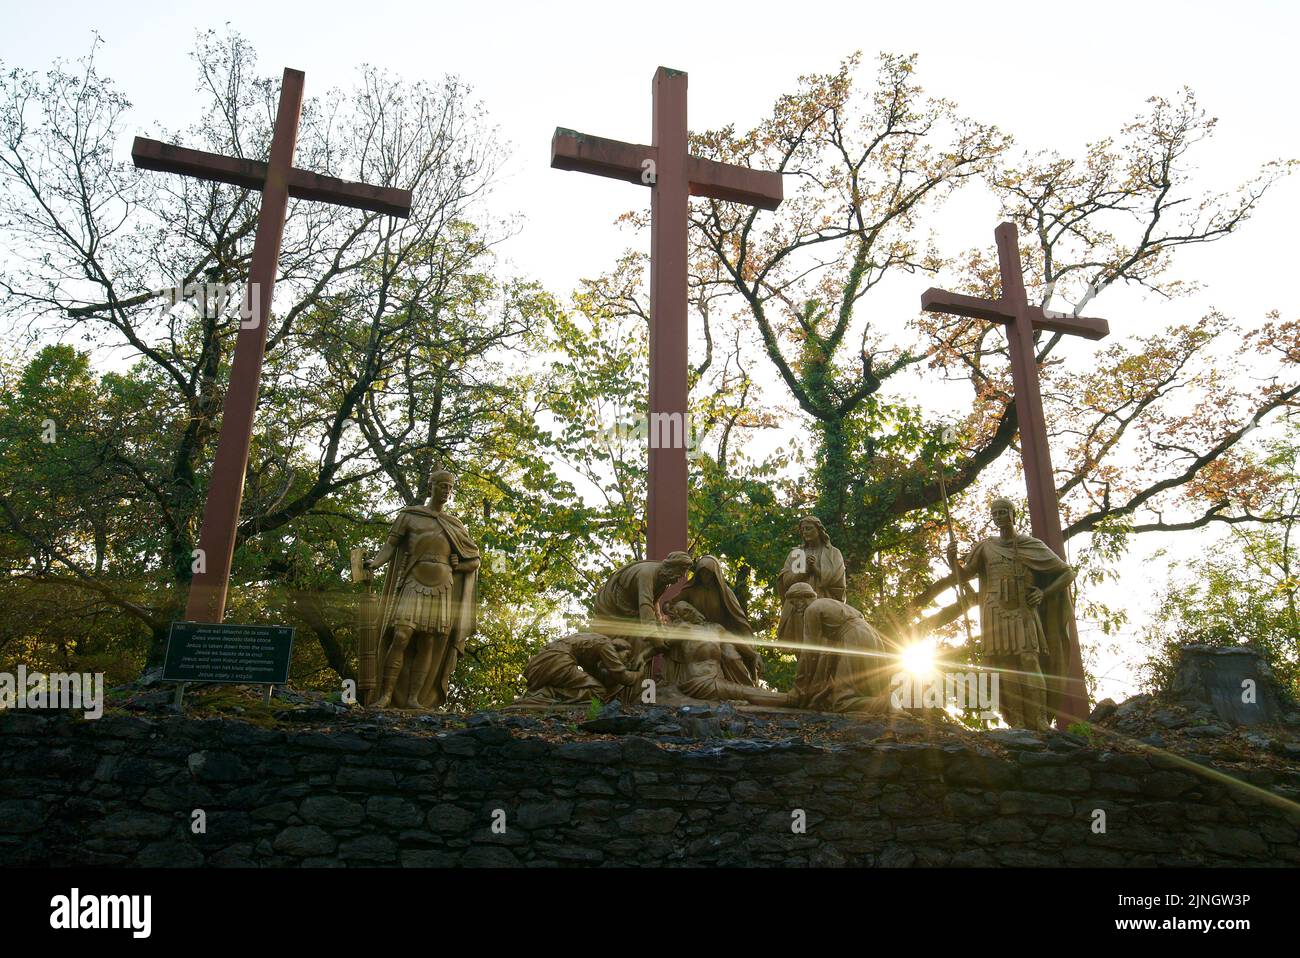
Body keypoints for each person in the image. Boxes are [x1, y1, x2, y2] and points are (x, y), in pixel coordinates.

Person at [947, 497, 1076, 730]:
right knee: (1006, 666)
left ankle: (1040, 718)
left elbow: (1067, 572)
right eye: (994, 514)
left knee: (1029, 660)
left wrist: (1043, 593)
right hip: (994, 611)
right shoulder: (985, 547)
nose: (998, 517)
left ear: (1013, 514)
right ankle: (1016, 721)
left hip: (1023, 610)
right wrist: (951, 559)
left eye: (1003, 512)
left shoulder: (1030, 544)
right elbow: (963, 574)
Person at [364, 469, 480, 709]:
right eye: (442, 486)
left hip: (443, 587)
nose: (446, 491)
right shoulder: (410, 516)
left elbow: (475, 560)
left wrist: (460, 567)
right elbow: (390, 545)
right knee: (401, 635)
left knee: (428, 642)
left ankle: (414, 699)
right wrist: (375, 562)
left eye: (450, 487)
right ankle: (385, 695)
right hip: (413, 582)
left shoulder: (454, 524)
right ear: (431, 487)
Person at [784, 582, 893, 713]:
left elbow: (810, 652)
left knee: (842, 700)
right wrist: (819, 693)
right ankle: (888, 704)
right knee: (867, 689)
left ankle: (886, 705)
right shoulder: (828, 605)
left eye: (794, 603)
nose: (795, 608)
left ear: (802, 599)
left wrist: (798, 688)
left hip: (854, 638)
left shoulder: (812, 610)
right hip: (871, 635)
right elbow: (827, 658)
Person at [661, 602, 790, 707]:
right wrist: (642, 656)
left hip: (719, 680)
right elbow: (662, 644)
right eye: (685, 611)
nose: (691, 612)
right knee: (748, 692)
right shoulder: (685, 629)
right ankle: (790, 700)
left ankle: (791, 699)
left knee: (747, 691)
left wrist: (754, 654)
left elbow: (735, 641)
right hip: (701, 682)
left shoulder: (715, 628)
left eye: (690, 608)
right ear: (681, 617)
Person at [775, 516, 847, 651]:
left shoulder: (832, 553)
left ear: (819, 530)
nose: (805, 532)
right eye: (802, 530)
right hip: (799, 608)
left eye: (809, 528)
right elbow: (787, 581)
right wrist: (806, 570)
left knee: (824, 648)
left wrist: (816, 569)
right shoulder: (798, 554)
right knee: (802, 648)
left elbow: (836, 580)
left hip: (824, 603)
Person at [519, 633, 638, 705]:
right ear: (618, 648)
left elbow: (597, 678)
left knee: (593, 686)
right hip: (558, 660)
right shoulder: (605, 644)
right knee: (598, 691)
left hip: (541, 661)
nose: (627, 661)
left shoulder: (592, 647)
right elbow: (622, 677)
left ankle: (545, 692)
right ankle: (545, 694)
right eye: (627, 656)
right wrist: (639, 674)